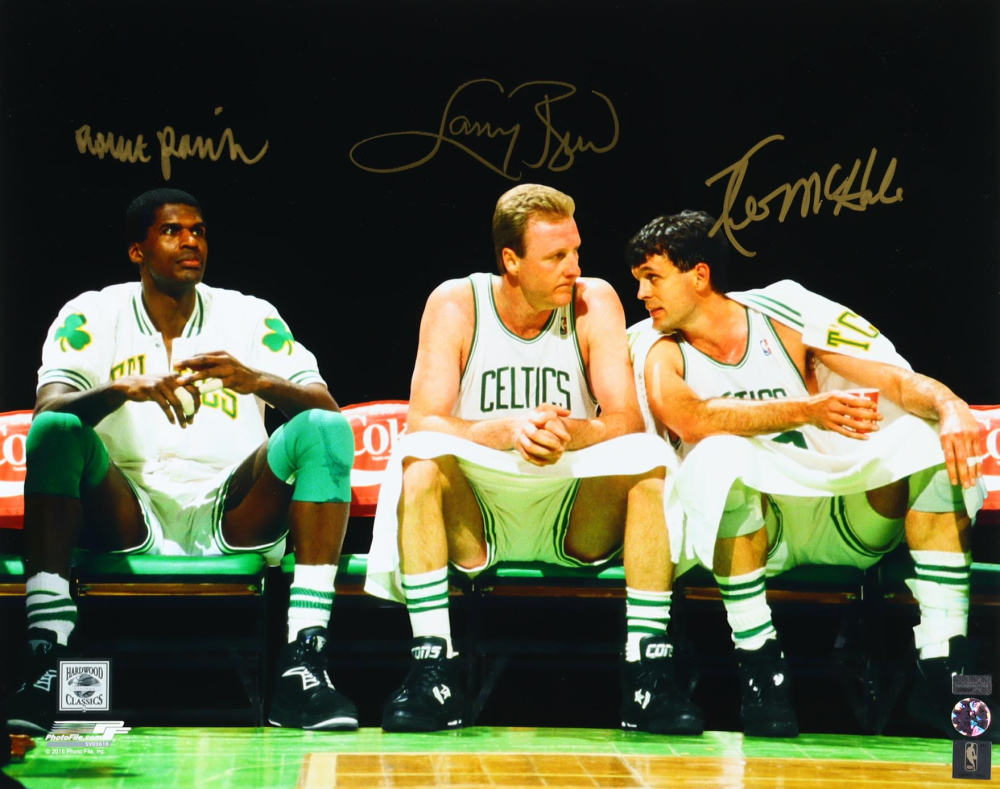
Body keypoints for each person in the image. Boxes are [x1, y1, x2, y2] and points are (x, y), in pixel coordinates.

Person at [626, 210, 988, 739]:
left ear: (698, 275)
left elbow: (893, 379)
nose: (640, 293)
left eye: (651, 277)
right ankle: (761, 673)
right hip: (757, 530)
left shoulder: (784, 313)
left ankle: (944, 666)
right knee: (719, 455)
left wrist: (951, 405)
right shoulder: (655, 345)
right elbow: (690, 419)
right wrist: (805, 409)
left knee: (927, 436)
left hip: (841, 514)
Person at [7, 189, 357, 733]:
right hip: (129, 509)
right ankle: (46, 659)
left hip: (230, 509)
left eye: (198, 230)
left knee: (323, 430)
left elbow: (328, 408)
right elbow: (48, 409)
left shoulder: (249, 314)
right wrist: (123, 388)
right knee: (57, 430)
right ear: (137, 251)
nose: (190, 240)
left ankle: (304, 665)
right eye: (172, 231)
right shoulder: (92, 313)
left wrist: (256, 380)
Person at [365, 184, 701, 734]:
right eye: (555, 256)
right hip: (480, 508)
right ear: (511, 261)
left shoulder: (595, 300)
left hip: (572, 505)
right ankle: (432, 669)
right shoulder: (456, 302)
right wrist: (505, 429)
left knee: (648, 461)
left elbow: (625, 420)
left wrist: (568, 433)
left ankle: (648, 671)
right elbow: (422, 419)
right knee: (420, 460)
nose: (573, 267)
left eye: (575, 251)